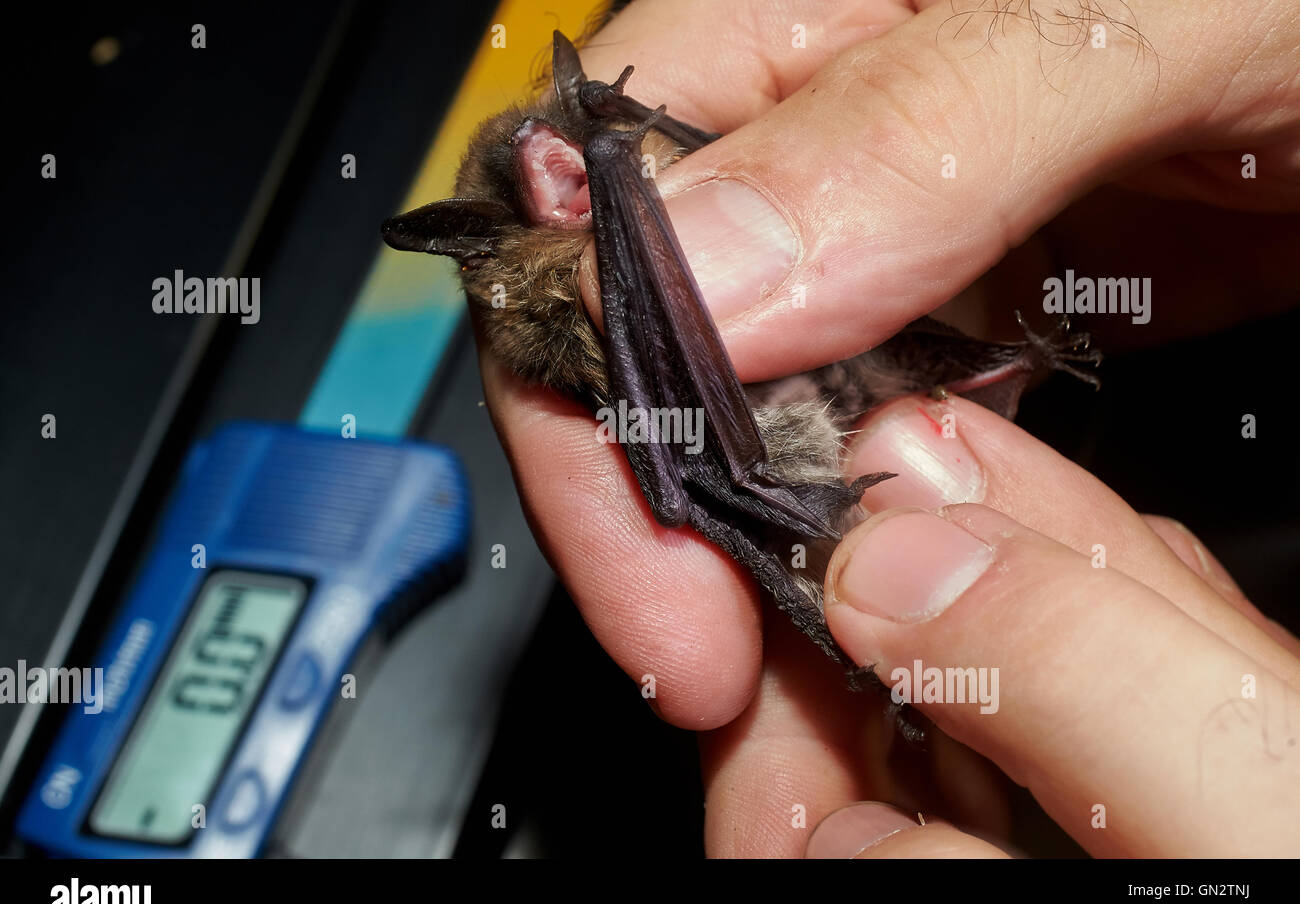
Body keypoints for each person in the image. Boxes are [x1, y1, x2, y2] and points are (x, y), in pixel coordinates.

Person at [477, 0, 1300, 856]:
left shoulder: (652, 177)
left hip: (821, 364)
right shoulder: (565, 308)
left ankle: (974, 376)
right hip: (772, 439)